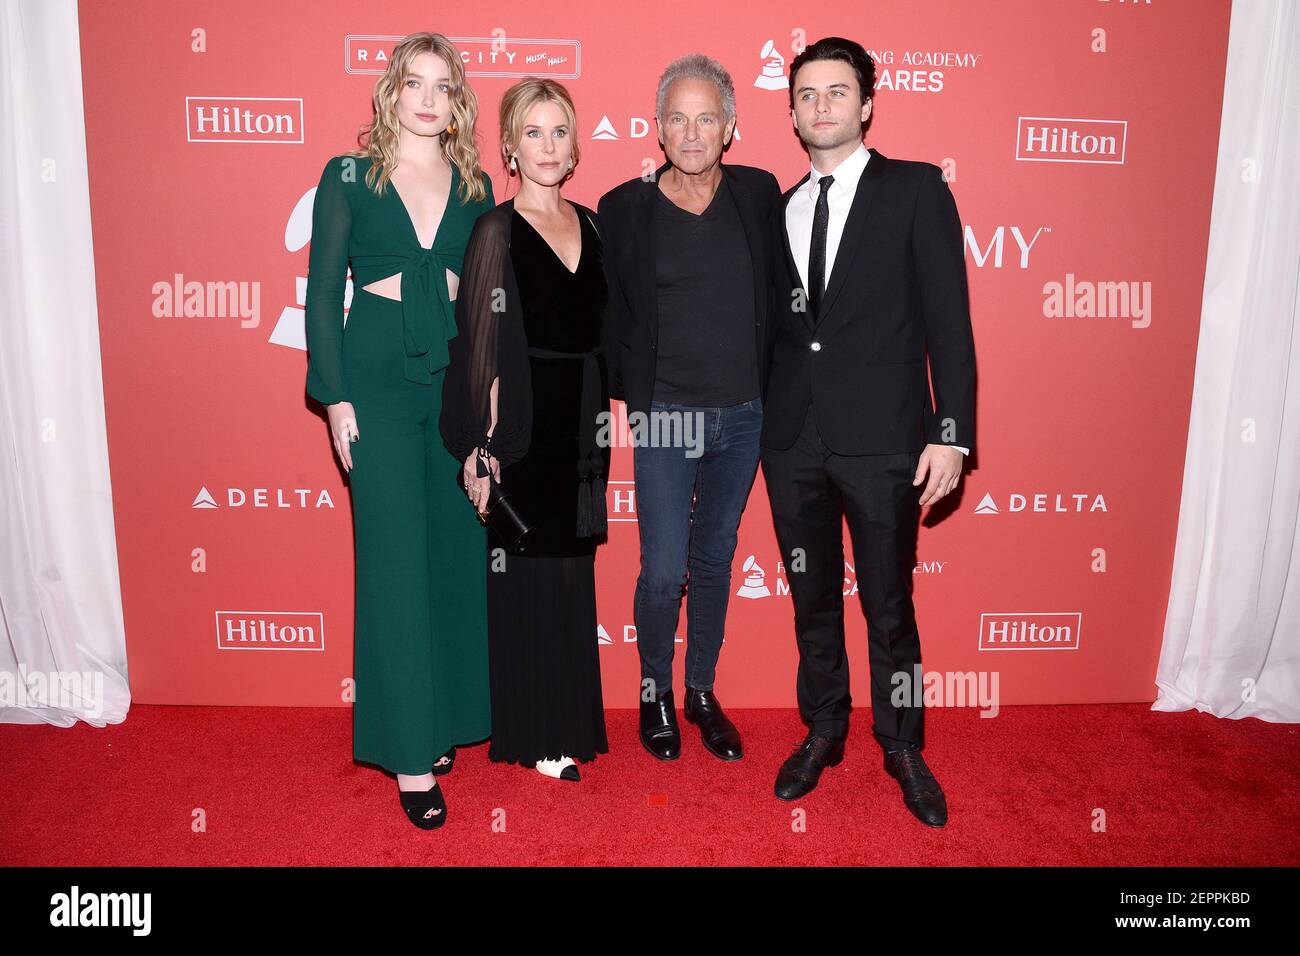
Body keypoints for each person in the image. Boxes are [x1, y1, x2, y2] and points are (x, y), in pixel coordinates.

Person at [762, 37, 976, 827]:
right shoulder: (778, 205)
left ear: (868, 103)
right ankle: (824, 728)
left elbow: (949, 324)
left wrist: (950, 433)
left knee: (890, 605)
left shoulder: (917, 191)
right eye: (808, 95)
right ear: (791, 113)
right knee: (811, 601)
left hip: (888, 439)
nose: (822, 106)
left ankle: (904, 744)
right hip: (792, 445)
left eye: (837, 92)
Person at [303, 32, 495, 829]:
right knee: (393, 565)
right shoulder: (349, 175)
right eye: (413, 82)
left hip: (453, 381)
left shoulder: (477, 185)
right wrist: (336, 398)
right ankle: (411, 757)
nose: (426, 97)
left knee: (453, 557)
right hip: (376, 381)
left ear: (456, 99)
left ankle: (441, 717)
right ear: (390, 90)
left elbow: (485, 309)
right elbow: (321, 293)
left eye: (441, 85)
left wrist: (487, 416)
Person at [598, 54, 781, 763]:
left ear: (731, 126)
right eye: (678, 118)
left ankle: (701, 691)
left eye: (707, 117)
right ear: (658, 129)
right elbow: (606, 314)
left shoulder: (761, 195)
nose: (693, 131)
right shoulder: (623, 209)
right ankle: (655, 692)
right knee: (664, 567)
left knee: (715, 556)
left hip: (744, 414)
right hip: (667, 417)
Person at [440, 78, 610, 782]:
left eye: (558, 131)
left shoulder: (595, 223)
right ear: (509, 147)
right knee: (526, 577)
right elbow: (475, 345)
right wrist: (478, 451)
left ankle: (566, 721)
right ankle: (535, 730)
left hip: (583, 425)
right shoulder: (495, 230)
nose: (546, 146)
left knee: (571, 578)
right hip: (525, 424)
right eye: (531, 132)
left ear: (575, 146)